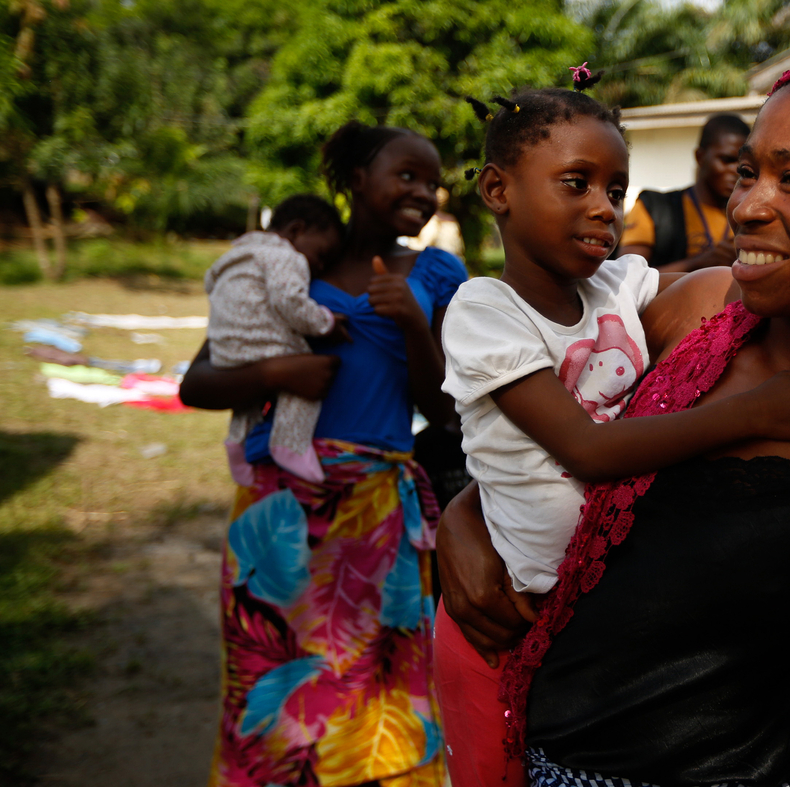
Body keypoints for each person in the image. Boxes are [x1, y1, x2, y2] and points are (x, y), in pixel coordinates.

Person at [436, 53, 790, 787]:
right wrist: (464, 514)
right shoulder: (695, 314)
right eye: (748, 173)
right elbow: (543, 421)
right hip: (536, 756)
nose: (746, 206)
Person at [180, 120, 467, 787]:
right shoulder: (289, 260)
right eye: (407, 175)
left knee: (382, 686)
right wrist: (276, 375)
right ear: (354, 180)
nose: (424, 191)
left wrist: (413, 325)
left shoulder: (434, 272)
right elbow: (197, 381)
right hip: (277, 511)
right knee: (270, 673)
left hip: (375, 516)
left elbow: (448, 405)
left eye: (433, 181)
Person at [205, 194, 347, 485]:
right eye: (321, 256)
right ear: (297, 231)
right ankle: (289, 444)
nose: (319, 268)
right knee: (306, 369)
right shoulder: (288, 256)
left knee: (249, 400)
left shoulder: (241, 250)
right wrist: (326, 322)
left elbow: (210, 282)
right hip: (261, 340)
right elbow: (289, 301)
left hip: (222, 348)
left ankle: (236, 442)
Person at [616, 113, 748, 272]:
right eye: (726, 160)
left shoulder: (746, 215)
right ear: (700, 157)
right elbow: (627, 277)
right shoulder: (654, 208)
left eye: (743, 165)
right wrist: (700, 263)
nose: (736, 171)